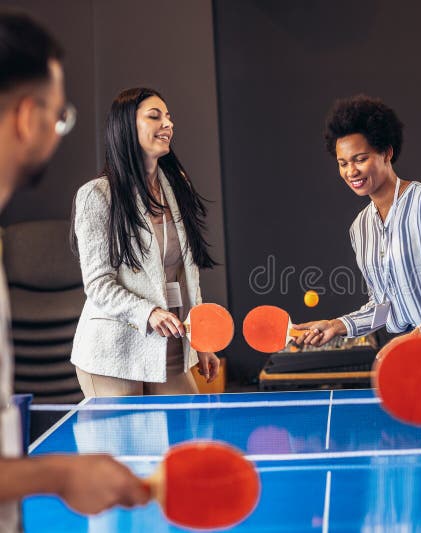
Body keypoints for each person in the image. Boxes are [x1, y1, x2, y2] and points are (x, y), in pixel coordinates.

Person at [0, 10, 149, 530]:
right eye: (60, 118)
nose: (60, 132)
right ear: (26, 118)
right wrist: (59, 476)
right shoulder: (96, 197)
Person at [294, 95, 421, 371]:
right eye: (343, 163)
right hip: (418, 344)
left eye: (360, 159)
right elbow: (383, 306)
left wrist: (419, 335)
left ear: (387, 153)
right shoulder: (360, 228)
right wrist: (336, 326)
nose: (351, 171)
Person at [70, 87, 220, 397]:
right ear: (126, 127)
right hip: (114, 350)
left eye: (168, 117)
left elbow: (186, 275)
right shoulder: (96, 196)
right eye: (155, 116)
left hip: (168, 344)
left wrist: (202, 340)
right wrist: (148, 312)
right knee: (128, 445)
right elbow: (98, 284)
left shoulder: (176, 187)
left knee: (188, 434)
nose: (167, 124)